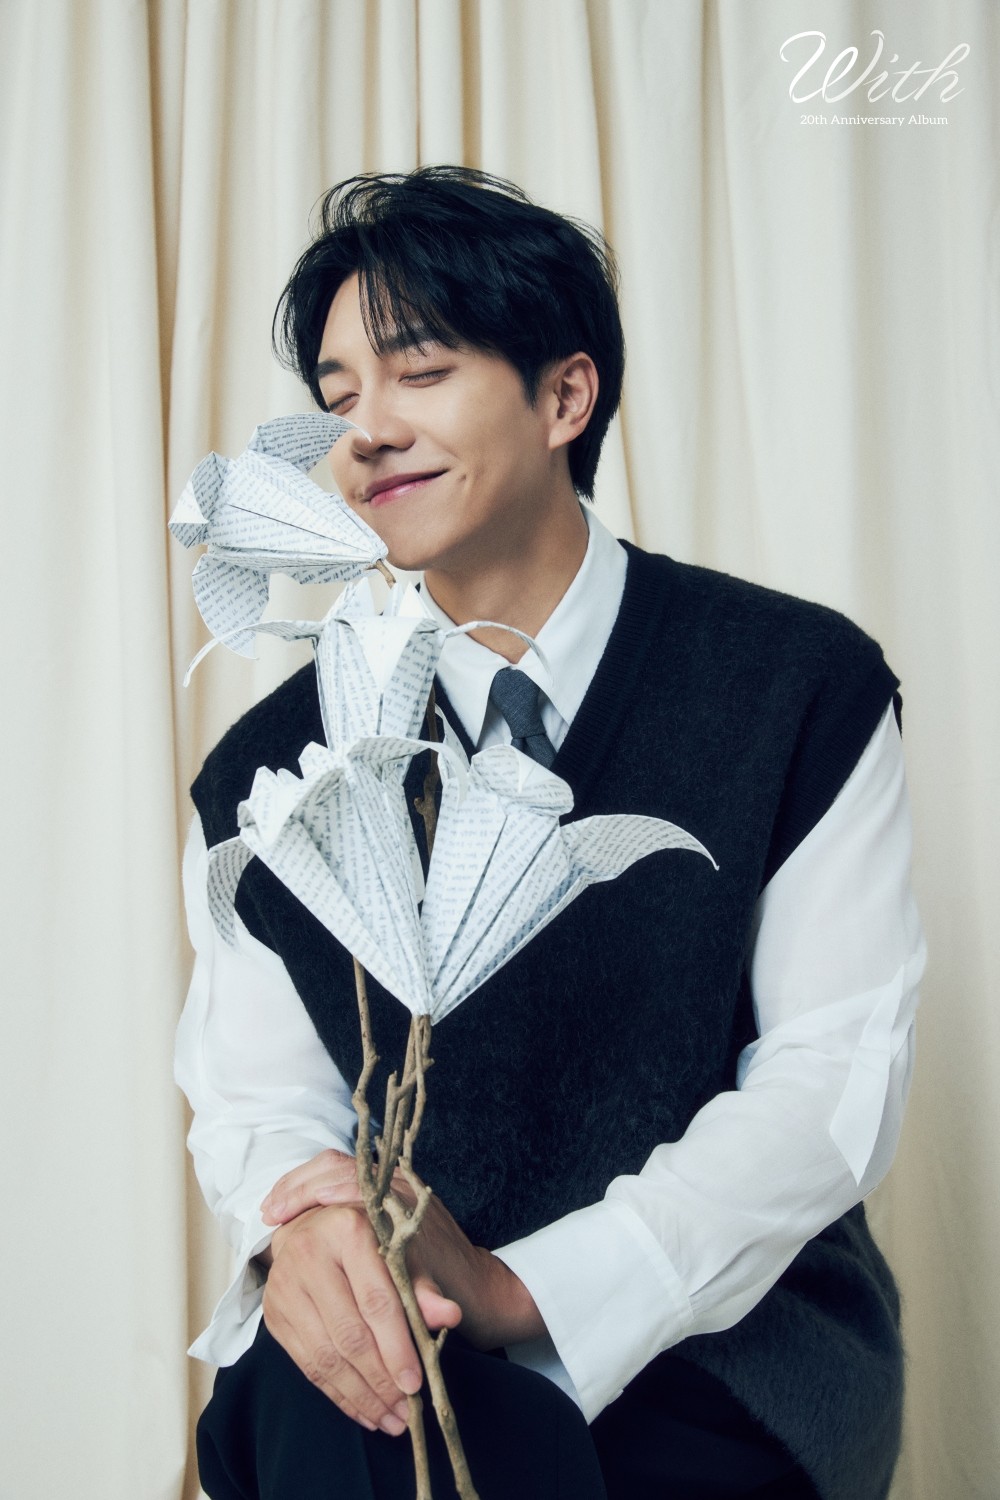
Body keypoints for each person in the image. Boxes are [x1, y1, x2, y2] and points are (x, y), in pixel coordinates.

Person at [176, 167, 924, 1500]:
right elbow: (260, 1102)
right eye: (340, 397)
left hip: (720, 1359)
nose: (367, 432)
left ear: (565, 397)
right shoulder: (272, 768)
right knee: (337, 1400)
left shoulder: (794, 688)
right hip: (400, 1348)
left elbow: (830, 1088)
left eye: (420, 372)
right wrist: (317, 1226)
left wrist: (526, 1290)